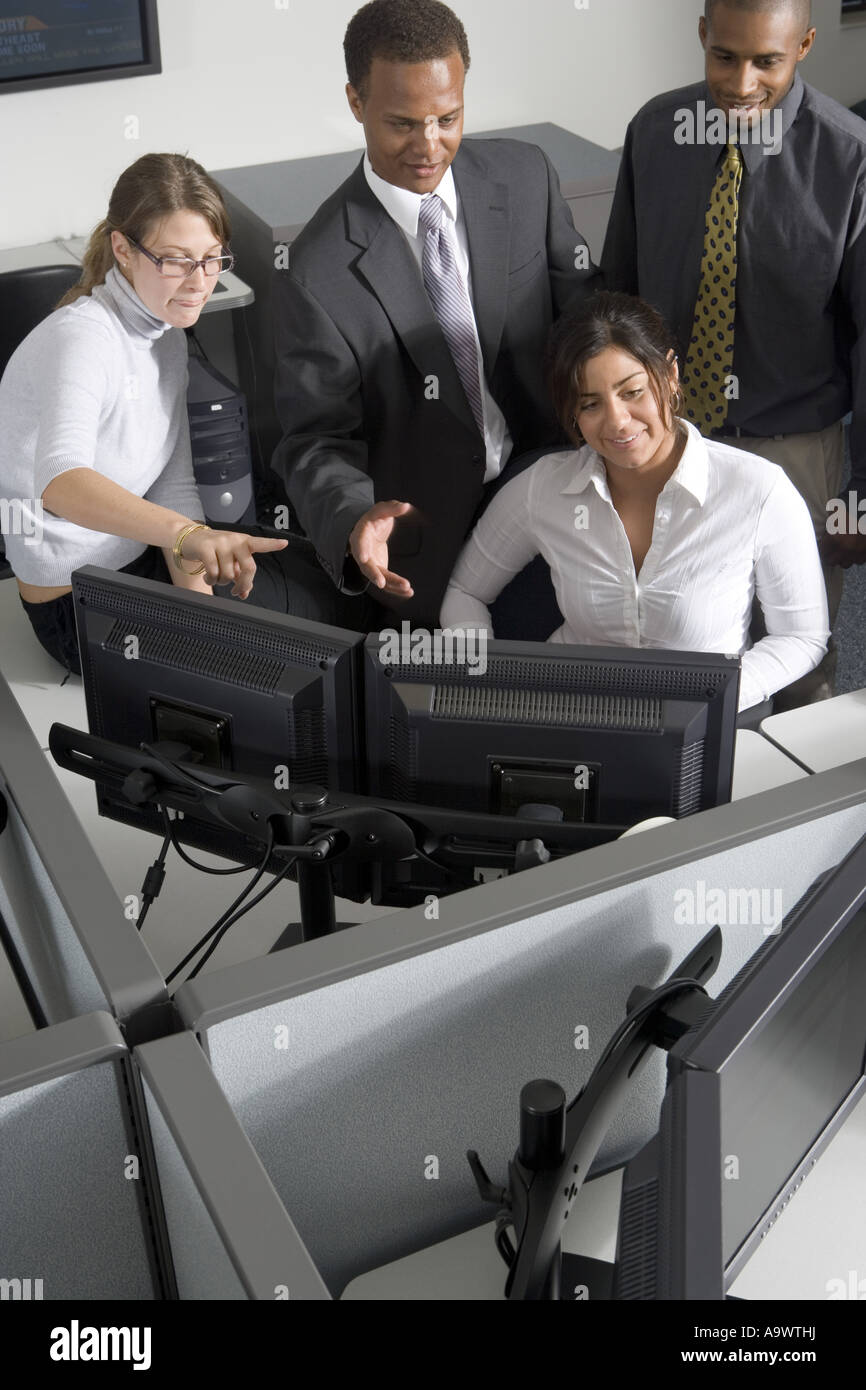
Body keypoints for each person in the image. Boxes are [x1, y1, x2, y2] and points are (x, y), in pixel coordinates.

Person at [270, 0, 599, 632]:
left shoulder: (526, 175)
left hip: (553, 490)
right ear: (354, 101)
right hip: (426, 542)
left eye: (448, 118)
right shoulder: (314, 271)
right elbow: (314, 439)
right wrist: (354, 518)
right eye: (402, 123)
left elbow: (584, 315)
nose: (429, 146)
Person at [601, 0, 866, 707]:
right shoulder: (655, 133)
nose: (742, 83)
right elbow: (617, 298)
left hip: (797, 448)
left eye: (767, 62)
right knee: (672, 645)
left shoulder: (850, 159)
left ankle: (796, 816)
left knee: (797, 653)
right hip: (672, 441)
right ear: (703, 37)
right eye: (725, 57)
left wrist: (862, 496)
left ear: (805, 44)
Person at [441, 293, 829, 714]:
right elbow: (465, 591)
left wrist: (715, 700)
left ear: (671, 375)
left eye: (633, 391)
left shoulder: (758, 489)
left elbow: (802, 637)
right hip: (570, 716)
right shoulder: (542, 487)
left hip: (706, 720)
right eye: (590, 404)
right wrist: (489, 684)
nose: (617, 421)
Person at [0, 152, 287, 676]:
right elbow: (60, 482)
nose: (200, 282)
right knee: (255, 674)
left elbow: (172, 491)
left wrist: (205, 614)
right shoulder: (83, 337)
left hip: (141, 562)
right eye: (177, 259)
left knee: (292, 617)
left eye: (212, 258)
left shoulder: (166, 335)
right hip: (76, 602)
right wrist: (185, 536)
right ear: (123, 251)